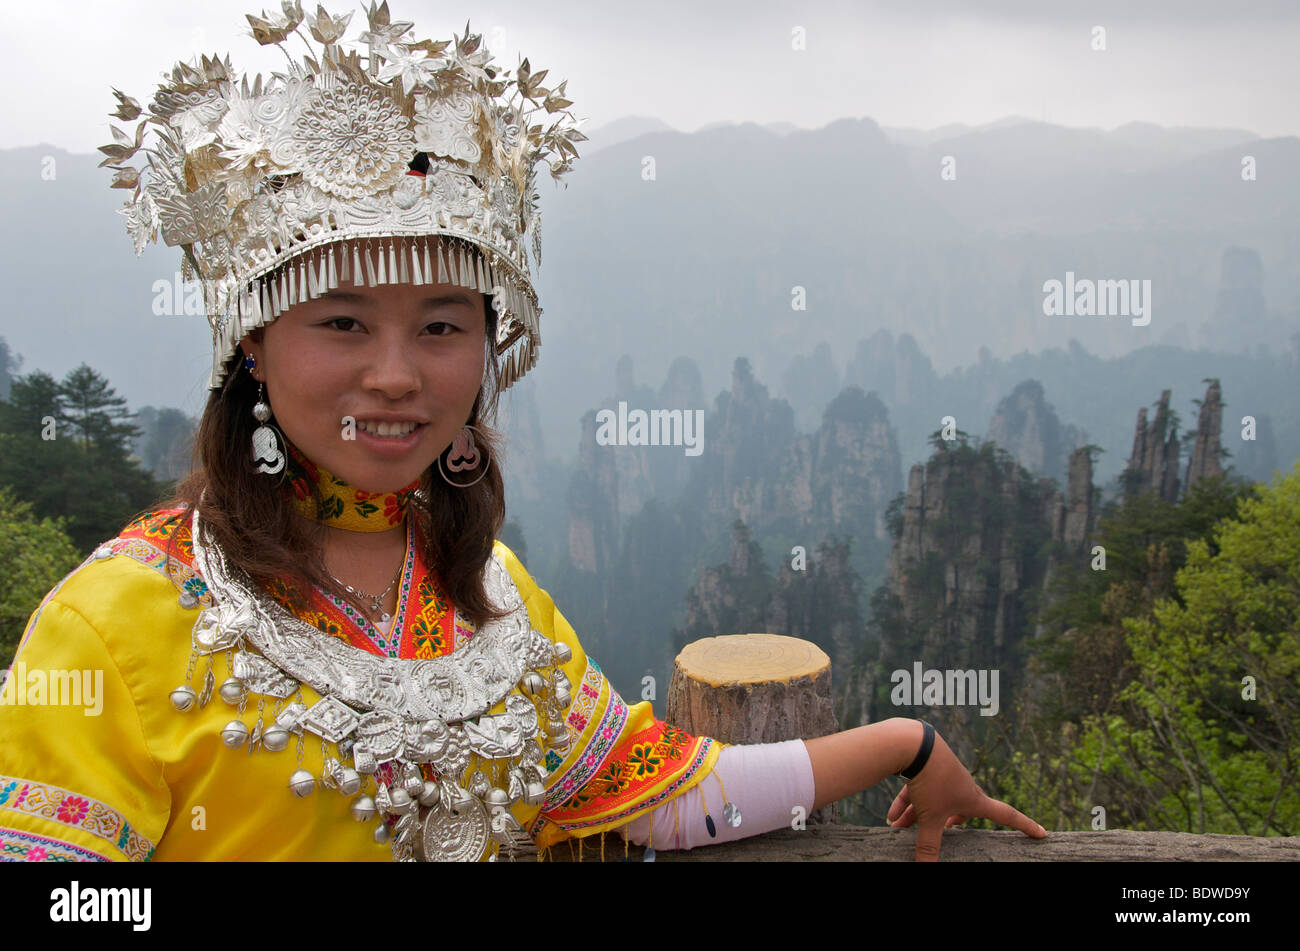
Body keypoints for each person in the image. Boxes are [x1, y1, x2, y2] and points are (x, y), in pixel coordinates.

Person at [0, 2, 1046, 862]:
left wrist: (908, 745)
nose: (397, 374)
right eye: (342, 321)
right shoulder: (113, 627)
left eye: (443, 327)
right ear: (253, 347)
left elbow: (664, 796)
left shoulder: (493, 597)